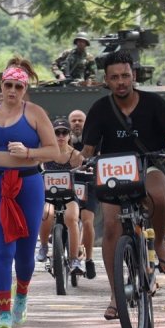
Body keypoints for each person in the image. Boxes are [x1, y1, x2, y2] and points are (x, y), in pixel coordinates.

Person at [80, 50, 165, 321]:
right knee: (111, 227)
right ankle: (116, 294)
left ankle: (161, 246)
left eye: (125, 76)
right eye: (114, 77)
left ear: (134, 76)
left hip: (149, 163)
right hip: (113, 170)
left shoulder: (154, 103)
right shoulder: (99, 109)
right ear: (106, 80)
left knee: (158, 195)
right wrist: (74, 158)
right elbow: (88, 149)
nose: (121, 82)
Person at [0, 57, 59, 328]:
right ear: (1, 84)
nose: (12, 91)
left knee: (24, 251)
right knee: (3, 248)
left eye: (18, 87)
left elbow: (54, 151)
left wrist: (30, 153)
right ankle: (3, 313)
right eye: (8, 85)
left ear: (25, 89)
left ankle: (21, 294)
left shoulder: (35, 113)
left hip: (28, 184)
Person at [35, 118, 84, 275]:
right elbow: (33, 165)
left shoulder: (75, 155)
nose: (61, 136)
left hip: (70, 195)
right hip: (49, 195)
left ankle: (75, 258)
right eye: (57, 132)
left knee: (72, 217)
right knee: (46, 214)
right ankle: (43, 246)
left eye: (64, 132)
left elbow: (83, 171)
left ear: (69, 135)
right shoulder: (46, 152)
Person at [68, 109, 97, 279]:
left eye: (80, 120)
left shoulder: (93, 139)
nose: (77, 123)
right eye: (74, 120)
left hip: (88, 182)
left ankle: (89, 260)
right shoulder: (63, 138)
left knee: (87, 222)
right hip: (68, 182)